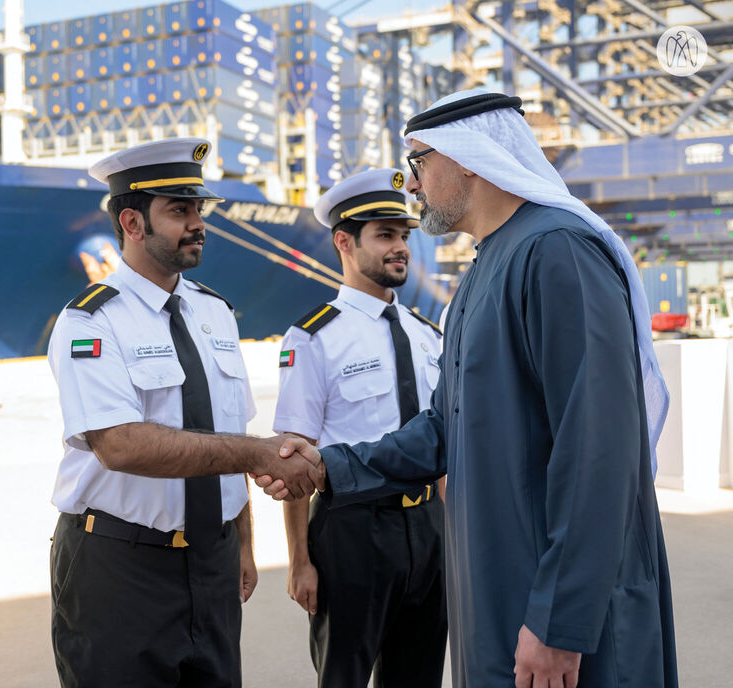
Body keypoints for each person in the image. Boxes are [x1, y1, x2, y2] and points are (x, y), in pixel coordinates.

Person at [259, 91, 678, 687]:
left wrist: (562, 621)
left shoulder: (556, 251)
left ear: (467, 158)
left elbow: (599, 449)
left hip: (560, 617)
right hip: (502, 596)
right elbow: (443, 429)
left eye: (419, 163)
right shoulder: (484, 271)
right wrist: (328, 467)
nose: (412, 185)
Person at [46, 137, 321, 687]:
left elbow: (228, 432)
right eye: (179, 211)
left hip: (212, 561)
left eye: (198, 209)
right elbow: (119, 445)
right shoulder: (90, 321)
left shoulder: (214, 312)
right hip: (121, 567)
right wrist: (261, 454)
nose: (198, 224)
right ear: (132, 222)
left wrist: (241, 540)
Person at [274, 168, 447, 687]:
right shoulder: (313, 338)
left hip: (428, 528)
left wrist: (450, 535)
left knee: (419, 676)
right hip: (352, 530)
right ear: (344, 242)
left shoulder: (427, 336)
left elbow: (441, 446)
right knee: (343, 676)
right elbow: (294, 455)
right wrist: (300, 560)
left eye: (403, 236)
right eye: (385, 236)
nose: (400, 248)